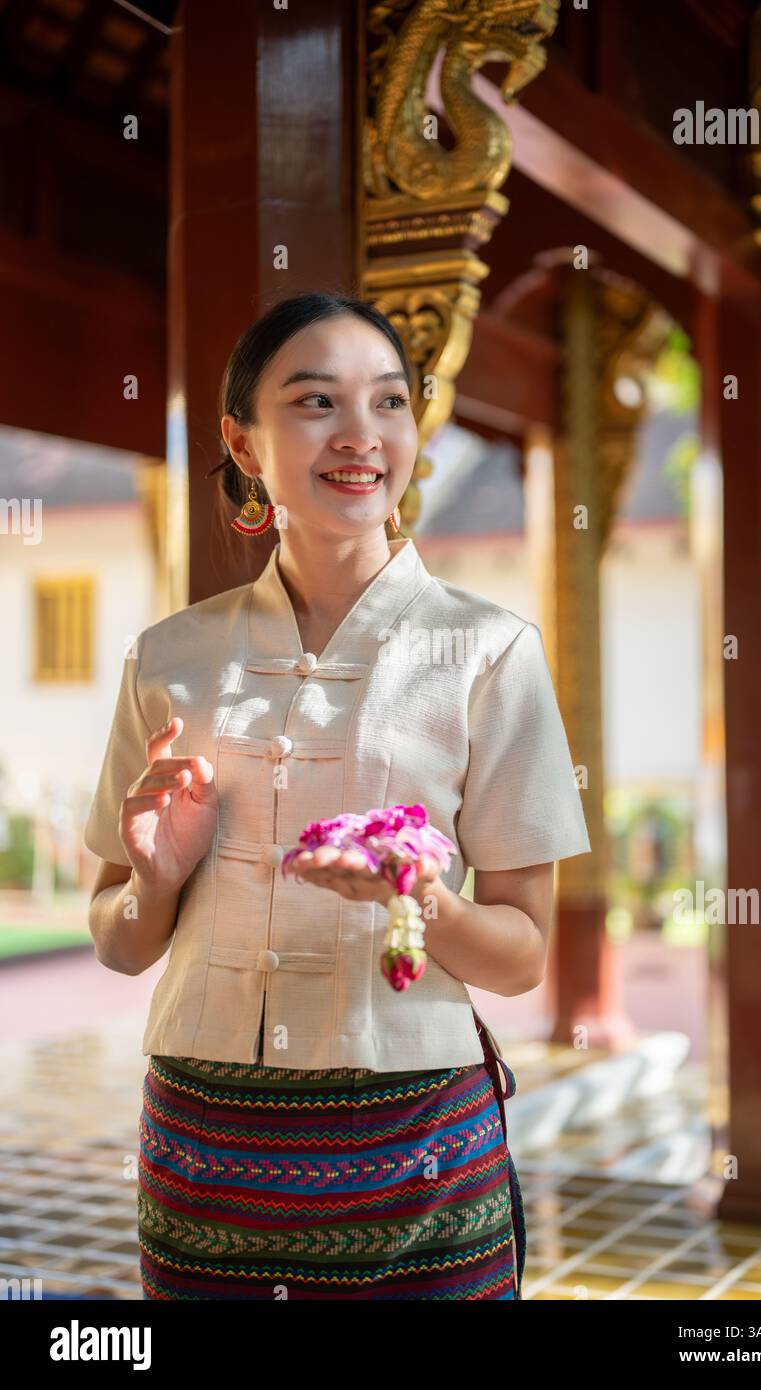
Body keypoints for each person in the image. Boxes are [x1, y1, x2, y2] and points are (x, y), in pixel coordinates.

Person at [84, 291, 591, 1301]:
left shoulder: (490, 653)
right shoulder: (169, 658)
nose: (361, 434)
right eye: (316, 402)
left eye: (389, 402)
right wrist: (156, 873)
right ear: (244, 440)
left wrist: (418, 900)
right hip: (205, 1149)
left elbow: (526, 954)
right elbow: (120, 937)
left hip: (421, 1159)